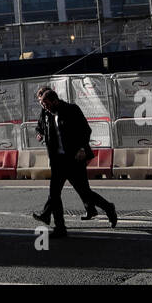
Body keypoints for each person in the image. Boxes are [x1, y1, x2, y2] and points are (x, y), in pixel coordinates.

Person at [31, 86, 117, 237]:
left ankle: (108, 207)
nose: (45, 108)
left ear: (55, 101)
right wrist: (40, 133)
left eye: (47, 105)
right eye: (43, 106)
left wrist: (82, 149)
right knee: (54, 194)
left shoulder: (72, 110)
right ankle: (60, 228)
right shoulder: (46, 113)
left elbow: (85, 130)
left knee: (85, 192)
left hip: (74, 159)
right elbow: (42, 128)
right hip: (57, 160)